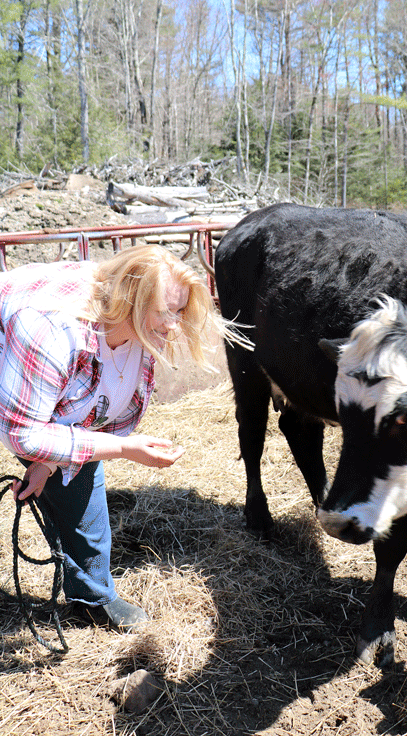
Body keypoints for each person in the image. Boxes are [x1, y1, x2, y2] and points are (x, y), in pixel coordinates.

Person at [0, 244, 239, 633]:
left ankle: (92, 598)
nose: (175, 325)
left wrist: (47, 463)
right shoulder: (51, 330)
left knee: (77, 481)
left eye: (180, 312)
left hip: (34, 385)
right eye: (166, 312)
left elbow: (90, 415)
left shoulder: (137, 332)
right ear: (131, 298)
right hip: (15, 363)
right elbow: (24, 432)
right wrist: (124, 449)